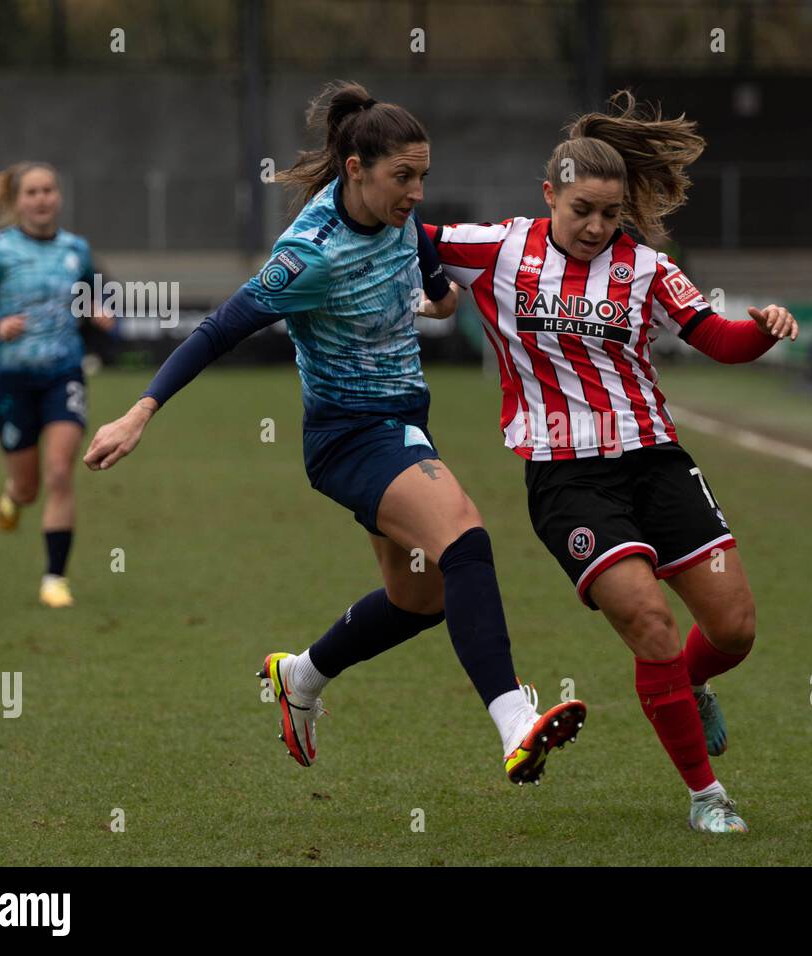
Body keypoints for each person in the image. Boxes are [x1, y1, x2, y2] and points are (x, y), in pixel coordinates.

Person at [82, 81, 585, 784]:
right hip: (351, 436)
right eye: (401, 177)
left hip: (404, 423)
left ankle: (301, 675)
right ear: (356, 170)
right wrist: (141, 409)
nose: (414, 192)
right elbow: (218, 330)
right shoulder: (310, 254)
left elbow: (433, 289)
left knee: (422, 599)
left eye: (422, 177)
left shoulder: (400, 215)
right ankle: (514, 720)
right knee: (466, 538)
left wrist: (438, 300)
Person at [421, 91, 798, 833]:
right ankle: (707, 797)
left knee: (735, 629)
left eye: (611, 213)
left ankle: (686, 688)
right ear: (549, 195)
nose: (596, 226)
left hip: (657, 462)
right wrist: (429, 289)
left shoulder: (649, 270)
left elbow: (717, 338)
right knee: (650, 622)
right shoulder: (497, 249)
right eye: (581, 209)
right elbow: (406, 231)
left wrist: (763, 332)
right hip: (567, 480)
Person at [0, 161, 115, 608]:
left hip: (63, 373)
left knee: (62, 472)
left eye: (48, 190)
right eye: (32, 192)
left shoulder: (75, 249)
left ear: (58, 197)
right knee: (28, 487)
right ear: (17, 201)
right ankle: (12, 497)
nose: (42, 198)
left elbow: (92, 291)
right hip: (11, 379)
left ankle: (54, 579)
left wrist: (98, 309)